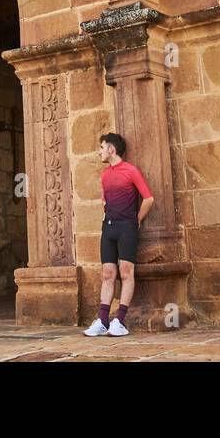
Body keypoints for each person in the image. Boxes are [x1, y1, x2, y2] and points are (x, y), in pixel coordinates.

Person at [84, 132, 153, 337]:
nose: (100, 152)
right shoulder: (105, 175)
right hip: (109, 228)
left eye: (102, 148)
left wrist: (137, 220)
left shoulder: (131, 171)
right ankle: (103, 320)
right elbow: (104, 201)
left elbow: (148, 199)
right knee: (107, 274)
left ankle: (120, 321)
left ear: (111, 149)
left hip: (127, 228)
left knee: (125, 273)